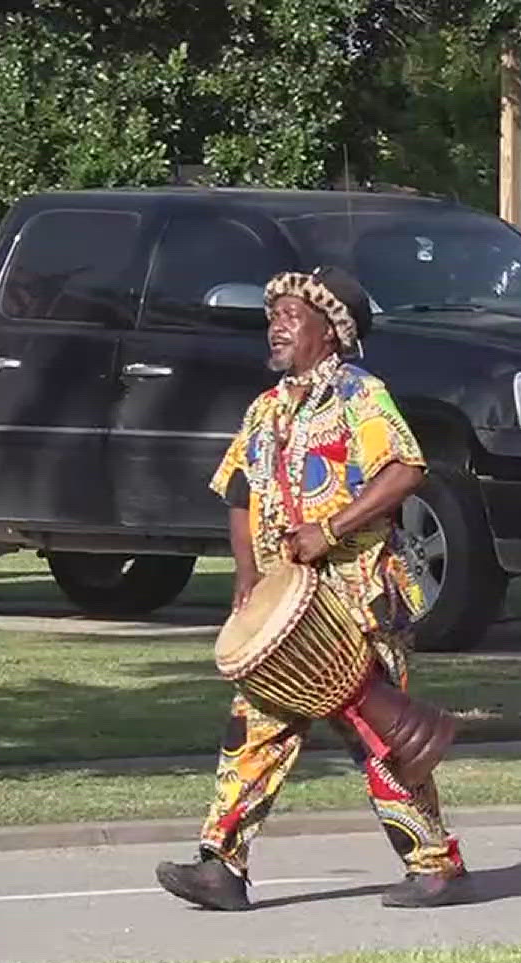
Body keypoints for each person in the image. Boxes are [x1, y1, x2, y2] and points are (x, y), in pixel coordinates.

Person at [155, 266, 469, 912]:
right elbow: (240, 492)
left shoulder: (360, 395)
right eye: (273, 316)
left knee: (380, 732)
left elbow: (405, 470)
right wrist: (248, 577)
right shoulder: (266, 410)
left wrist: (331, 528)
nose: (275, 326)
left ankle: (436, 864)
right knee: (255, 730)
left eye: (291, 316)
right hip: (284, 608)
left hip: (356, 602)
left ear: (331, 332)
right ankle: (222, 865)